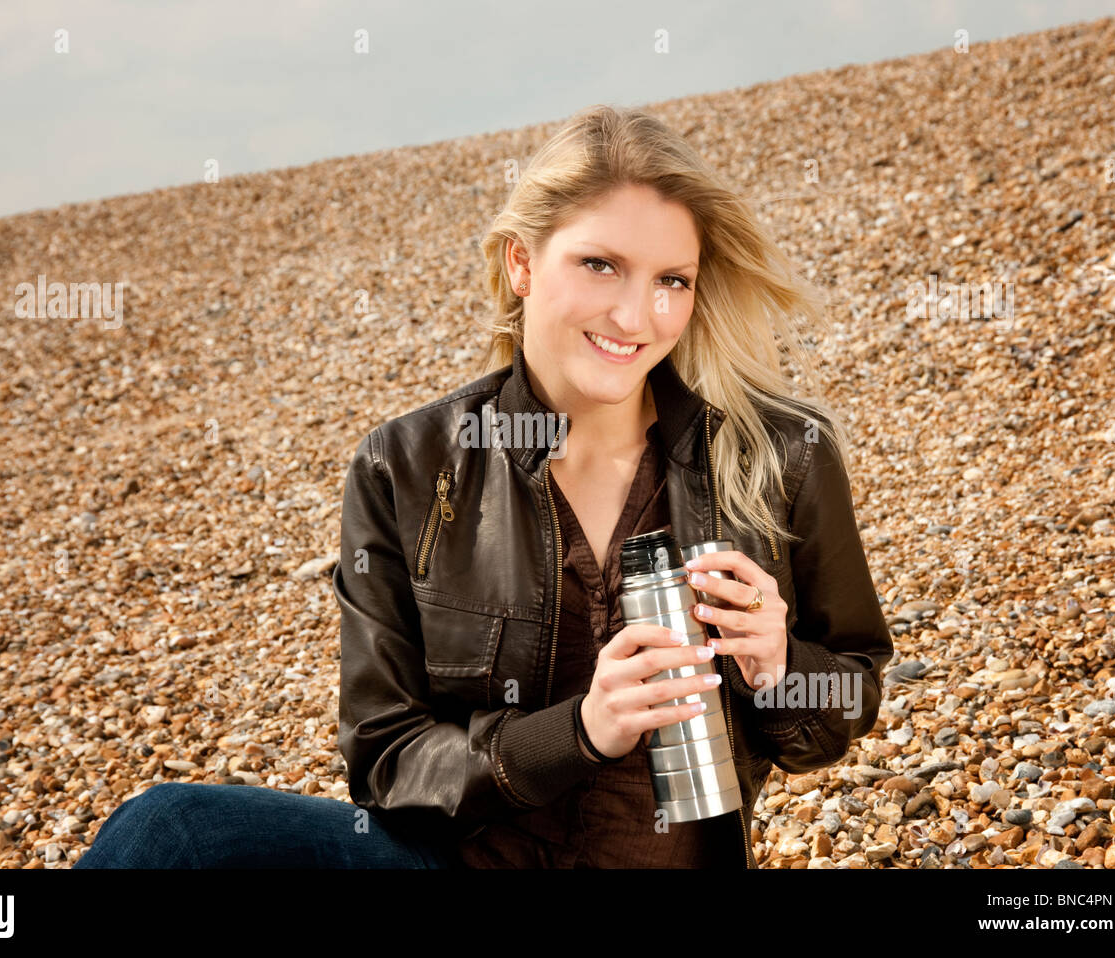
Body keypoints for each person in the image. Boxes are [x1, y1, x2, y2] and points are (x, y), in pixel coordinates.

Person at [74, 103, 892, 869]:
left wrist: (781, 666)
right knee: (170, 832)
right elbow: (387, 758)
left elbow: (847, 695)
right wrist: (578, 731)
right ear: (522, 262)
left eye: (672, 280)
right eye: (600, 265)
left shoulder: (776, 452)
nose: (637, 318)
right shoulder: (408, 465)